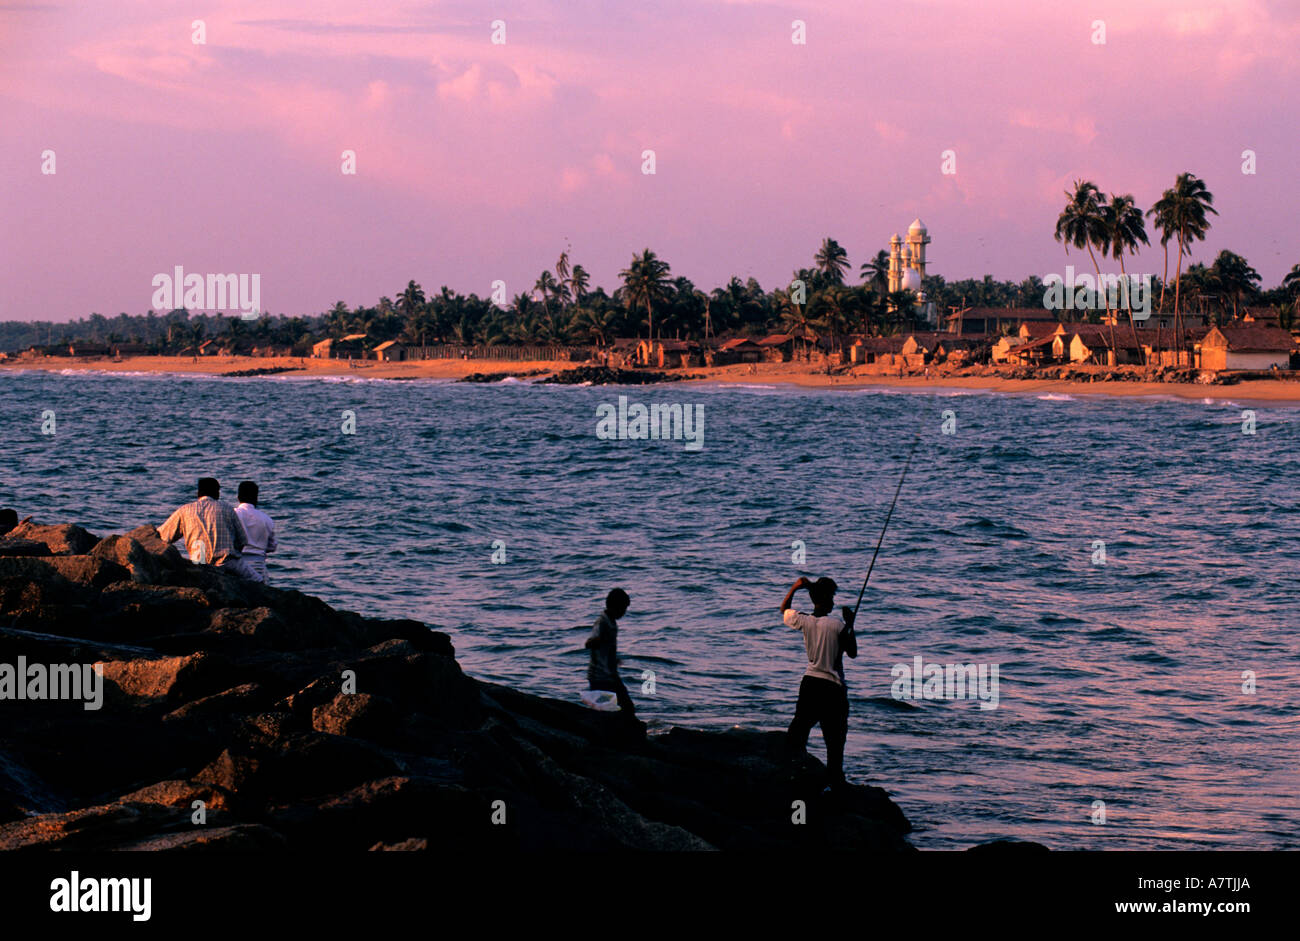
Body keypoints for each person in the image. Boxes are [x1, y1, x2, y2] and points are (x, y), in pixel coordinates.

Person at [780, 575, 858, 790]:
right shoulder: (837, 626)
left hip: (810, 685)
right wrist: (851, 625)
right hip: (833, 688)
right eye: (832, 597)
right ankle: (836, 784)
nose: (834, 601)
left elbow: (783, 609)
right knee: (835, 741)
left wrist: (795, 588)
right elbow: (852, 653)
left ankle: (794, 776)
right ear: (826, 599)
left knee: (798, 733)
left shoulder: (804, 620)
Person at [158, 477, 254, 578]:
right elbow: (242, 541)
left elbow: (164, 537)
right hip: (226, 563)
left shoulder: (185, 510)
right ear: (217, 493)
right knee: (258, 580)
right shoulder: (228, 509)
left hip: (198, 563)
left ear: (198, 493)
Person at [585, 588, 636, 716]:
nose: (624, 613)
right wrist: (602, 640)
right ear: (615, 607)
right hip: (599, 676)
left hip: (609, 674)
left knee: (624, 707)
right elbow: (589, 643)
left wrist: (613, 660)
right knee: (616, 708)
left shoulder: (612, 623)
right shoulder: (602, 622)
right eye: (623, 609)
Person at [233, 481, 277, 584]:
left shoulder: (232, 514)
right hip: (259, 565)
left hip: (238, 564)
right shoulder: (266, 519)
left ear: (238, 497)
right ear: (256, 498)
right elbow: (272, 546)